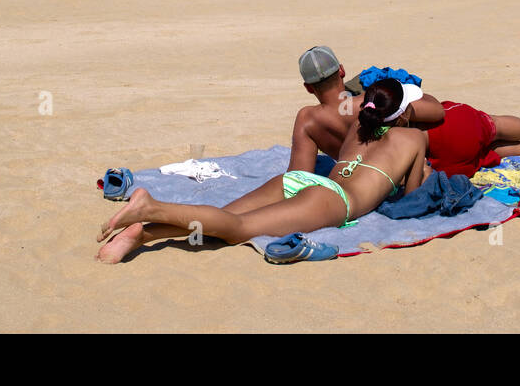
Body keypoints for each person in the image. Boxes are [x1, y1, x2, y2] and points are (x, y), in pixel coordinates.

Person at [96, 79, 429, 263]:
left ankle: (143, 233)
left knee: (217, 217)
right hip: (333, 199)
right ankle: (152, 206)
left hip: (302, 180)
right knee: (238, 229)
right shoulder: (414, 138)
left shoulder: (359, 121)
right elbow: (411, 200)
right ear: (405, 112)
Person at [279, 47, 520, 180]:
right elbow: (435, 113)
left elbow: (297, 179)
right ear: (342, 70)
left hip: (430, 164)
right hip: (442, 136)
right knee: (493, 126)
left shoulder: (307, 120)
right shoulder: (368, 100)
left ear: (308, 88)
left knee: (495, 153)